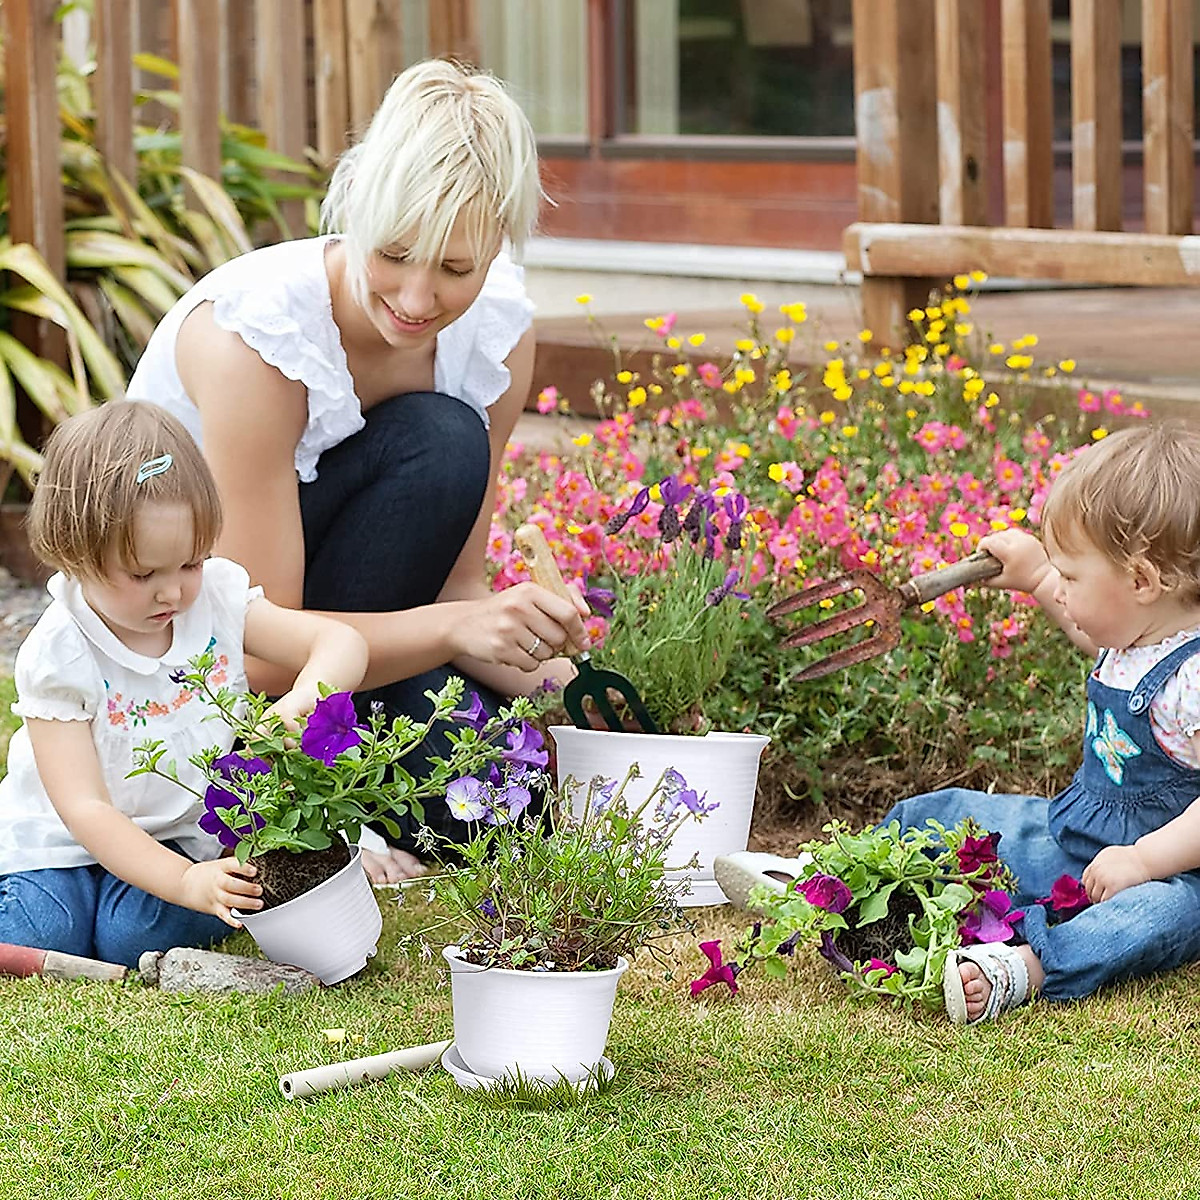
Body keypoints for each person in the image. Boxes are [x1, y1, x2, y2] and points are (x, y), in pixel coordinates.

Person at [126, 58, 590, 885]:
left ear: (497, 248)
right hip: (202, 662)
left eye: (455, 269)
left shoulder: (494, 332)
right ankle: (315, 813)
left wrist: (565, 682)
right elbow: (260, 657)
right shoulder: (256, 342)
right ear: (353, 207)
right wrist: (456, 632)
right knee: (441, 438)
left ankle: (362, 788)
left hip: (350, 643)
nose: (415, 299)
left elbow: (455, 585)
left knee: (508, 813)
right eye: (393, 253)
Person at [719, 423, 1200, 1024]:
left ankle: (1024, 968)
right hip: (1071, 839)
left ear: (1142, 582)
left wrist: (1145, 861)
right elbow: (1090, 634)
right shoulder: (1136, 634)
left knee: (1153, 919)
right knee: (941, 815)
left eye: (1072, 577)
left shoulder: (1192, 681)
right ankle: (830, 882)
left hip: (1168, 872)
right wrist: (1036, 575)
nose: (1064, 592)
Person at [0, 402, 369, 968]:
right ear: (76, 554)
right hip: (58, 843)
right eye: (143, 573)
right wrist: (183, 883)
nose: (172, 593)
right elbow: (85, 809)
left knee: (130, 940)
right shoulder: (60, 651)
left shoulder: (215, 600)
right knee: (39, 932)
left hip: (178, 834)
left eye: (191, 563)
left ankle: (135, 906)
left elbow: (341, 643)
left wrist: (298, 704)